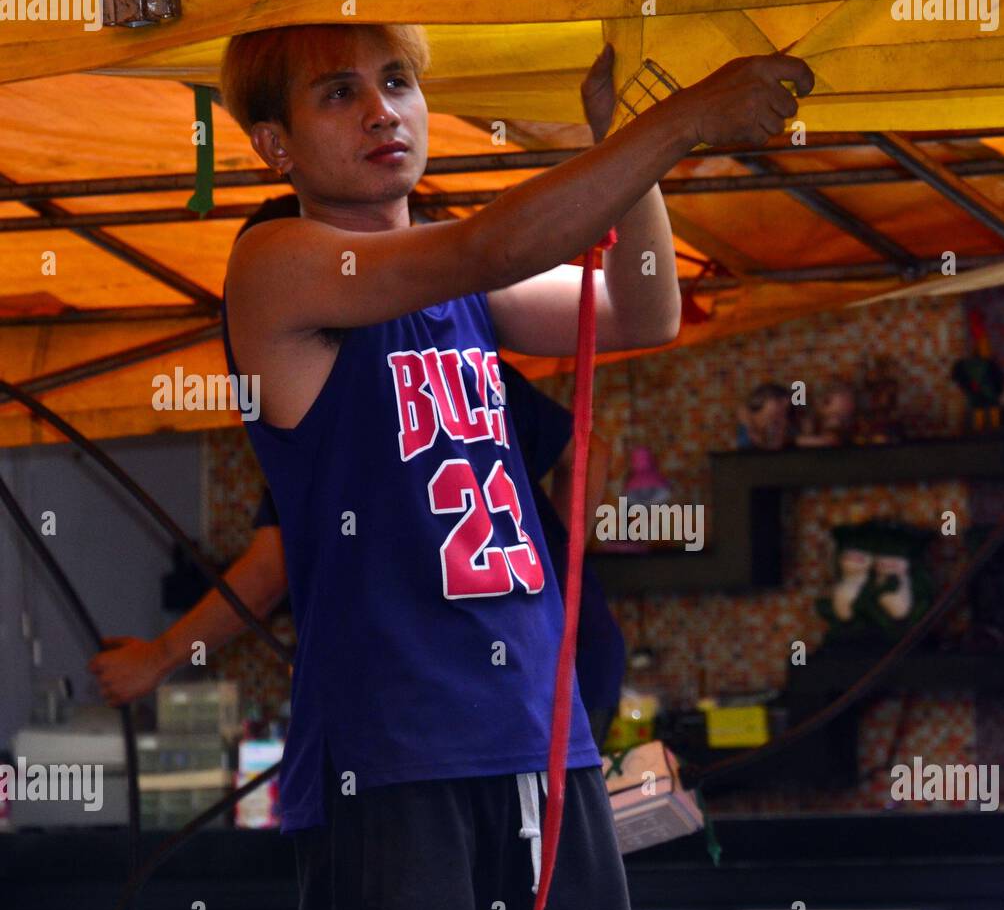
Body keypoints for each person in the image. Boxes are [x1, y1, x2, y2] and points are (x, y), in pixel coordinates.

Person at [215, 21, 812, 910]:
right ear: (275, 147)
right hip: (393, 764)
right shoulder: (279, 263)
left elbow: (644, 310)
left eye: (397, 82)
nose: (382, 111)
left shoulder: (459, 289)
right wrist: (682, 123)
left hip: (542, 748)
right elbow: (490, 244)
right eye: (338, 94)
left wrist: (631, 155)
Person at [89, 204, 627, 749]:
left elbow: (269, 570)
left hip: (505, 686)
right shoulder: (453, 360)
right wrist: (551, 565)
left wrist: (158, 658)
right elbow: (588, 451)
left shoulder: (335, 404)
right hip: (534, 665)